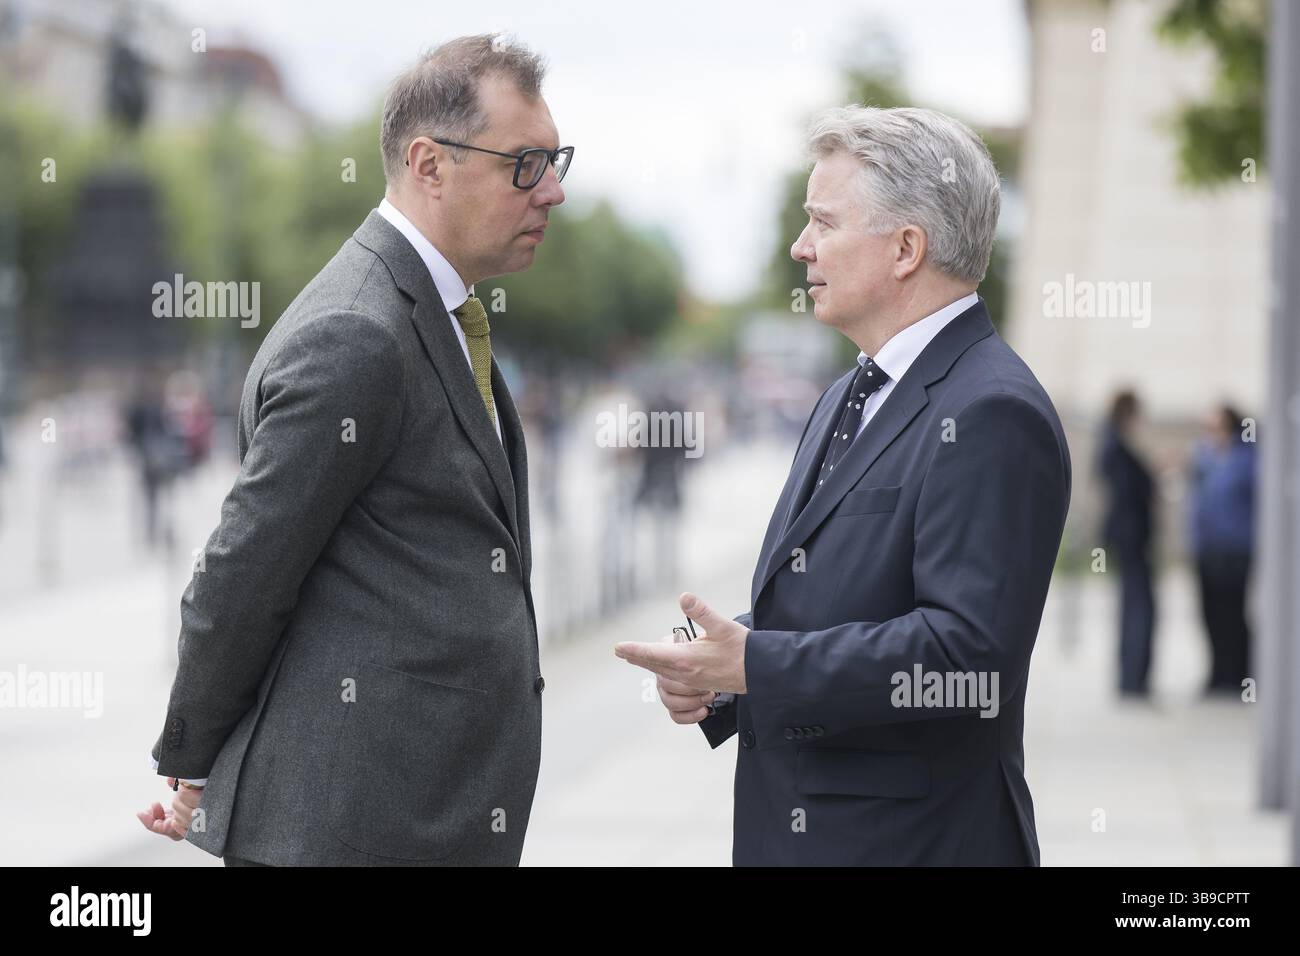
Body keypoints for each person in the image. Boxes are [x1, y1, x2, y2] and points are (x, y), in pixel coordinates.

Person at [137, 33, 570, 865]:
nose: (550, 191)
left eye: (556, 162)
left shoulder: (438, 314)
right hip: (354, 828)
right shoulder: (357, 332)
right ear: (429, 164)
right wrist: (192, 757)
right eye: (524, 164)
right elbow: (244, 568)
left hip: (409, 813)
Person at [616, 106, 1071, 865]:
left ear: (905, 248)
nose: (801, 247)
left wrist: (754, 665)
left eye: (822, 222)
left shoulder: (992, 409)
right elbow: (836, 596)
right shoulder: (851, 390)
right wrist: (719, 670)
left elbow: (966, 661)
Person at [1188, 404, 1256, 696]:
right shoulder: (1203, 458)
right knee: (1210, 614)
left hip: (1237, 547)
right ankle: (1217, 674)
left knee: (1233, 613)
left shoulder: (1247, 459)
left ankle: (1238, 675)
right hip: (1208, 547)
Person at [1096, 390, 1156, 698]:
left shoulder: (1114, 442)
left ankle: (1132, 677)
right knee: (1138, 608)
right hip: (1131, 539)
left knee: (1135, 607)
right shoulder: (1115, 446)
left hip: (1129, 537)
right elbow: (1124, 496)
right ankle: (1132, 679)